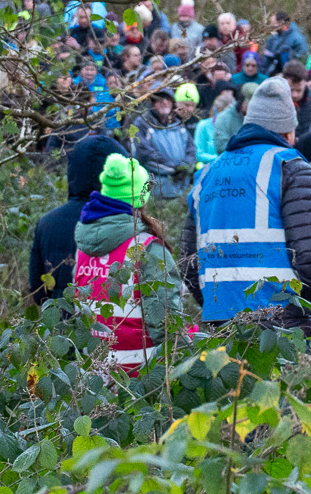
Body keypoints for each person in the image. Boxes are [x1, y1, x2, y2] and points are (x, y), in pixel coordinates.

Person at [191, 84, 311, 345]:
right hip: (284, 325)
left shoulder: (207, 174)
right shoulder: (290, 167)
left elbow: (189, 261)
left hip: (221, 323)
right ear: (289, 130)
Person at [72, 156, 186, 372]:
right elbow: (167, 320)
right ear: (141, 199)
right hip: (142, 375)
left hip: (92, 374)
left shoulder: (83, 246)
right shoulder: (149, 247)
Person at [30, 134, 127, 304]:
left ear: (73, 170)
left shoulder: (46, 223)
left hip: (58, 325)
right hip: (112, 325)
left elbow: (38, 292)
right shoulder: (128, 224)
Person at [131, 87, 194, 201]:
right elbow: (144, 153)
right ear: (152, 103)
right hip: (155, 191)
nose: (164, 102)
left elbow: (191, 150)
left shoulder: (178, 124)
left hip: (180, 188)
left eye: (168, 99)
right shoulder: (142, 124)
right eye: (160, 99)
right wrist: (173, 169)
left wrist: (185, 166)